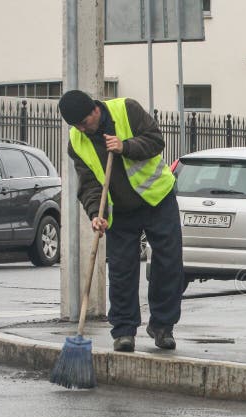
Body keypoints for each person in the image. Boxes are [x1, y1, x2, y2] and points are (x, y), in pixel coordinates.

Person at [58, 90, 183, 352]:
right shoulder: (77, 141)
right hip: (121, 210)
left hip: (157, 199)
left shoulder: (127, 109)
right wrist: (96, 214)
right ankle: (124, 331)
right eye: (76, 126)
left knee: (168, 261)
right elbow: (89, 183)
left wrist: (125, 146)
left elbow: (155, 141)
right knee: (121, 269)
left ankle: (162, 326)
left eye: (84, 122)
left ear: (95, 110)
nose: (82, 128)